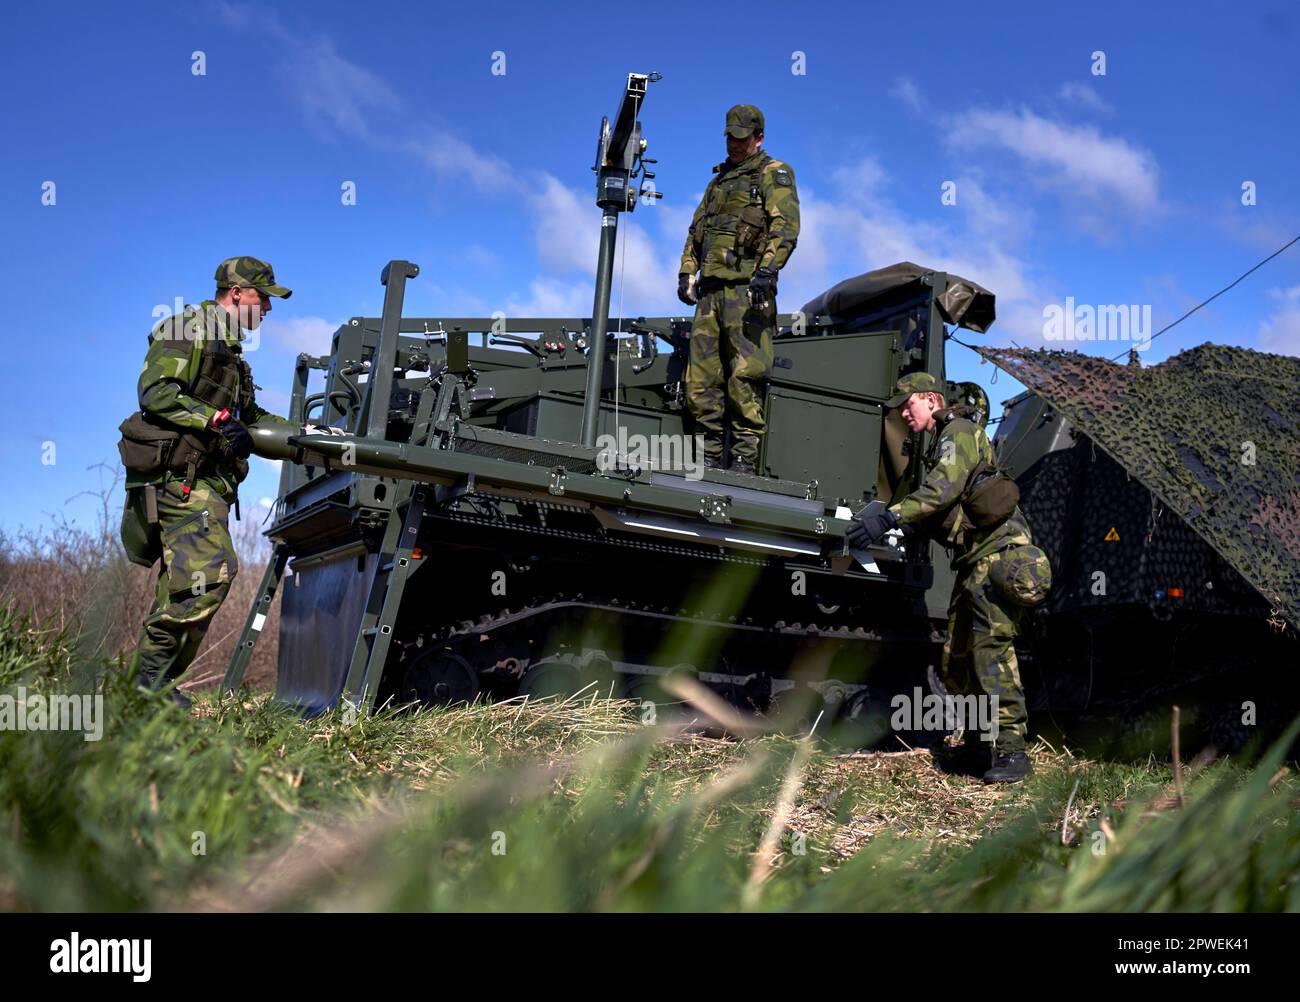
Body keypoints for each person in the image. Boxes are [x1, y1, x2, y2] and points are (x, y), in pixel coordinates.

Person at [847, 372, 1052, 783]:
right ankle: (978, 749)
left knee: (991, 655)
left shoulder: (958, 431)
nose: (904, 413)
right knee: (961, 662)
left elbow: (942, 490)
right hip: (972, 561)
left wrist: (891, 515)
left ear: (930, 398)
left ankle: (1013, 752)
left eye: (908, 404)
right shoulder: (945, 438)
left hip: (996, 556)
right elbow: (943, 510)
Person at [117, 257, 296, 708]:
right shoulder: (188, 328)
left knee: (190, 581)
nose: (268, 310)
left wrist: (306, 435)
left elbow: (251, 420)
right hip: (181, 479)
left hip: (207, 483)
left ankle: (141, 694)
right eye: (263, 298)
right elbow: (156, 392)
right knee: (207, 575)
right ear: (237, 292)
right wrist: (213, 419)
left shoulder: (233, 356)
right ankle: (146, 687)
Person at [677, 104, 800, 476]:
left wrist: (766, 272)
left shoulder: (774, 173)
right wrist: (687, 272)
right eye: (730, 136)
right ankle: (709, 454)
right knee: (700, 381)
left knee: (745, 377)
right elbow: (695, 231)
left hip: (747, 292)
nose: (734, 143)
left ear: (758, 137)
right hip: (710, 294)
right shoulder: (717, 183)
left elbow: (786, 227)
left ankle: (744, 458)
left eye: (742, 138)